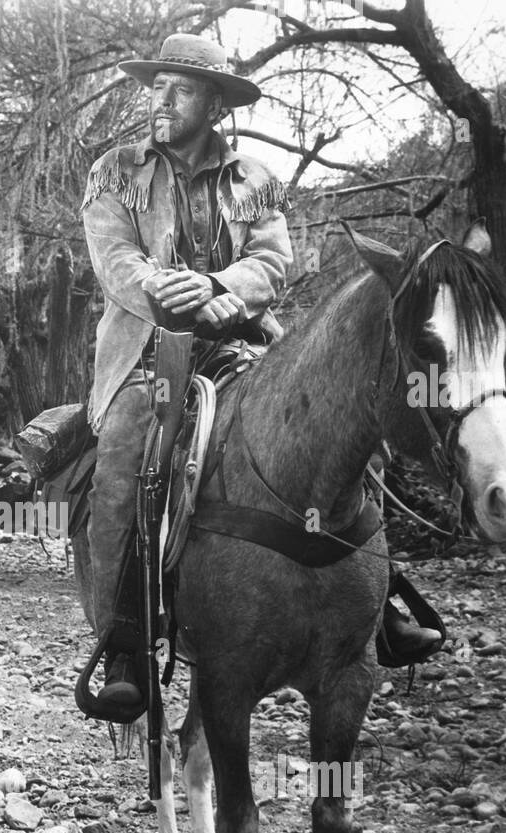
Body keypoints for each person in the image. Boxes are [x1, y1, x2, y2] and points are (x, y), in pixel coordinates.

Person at [81, 34, 440, 711]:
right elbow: (114, 259)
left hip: (243, 340)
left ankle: (379, 600)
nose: (161, 97)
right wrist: (171, 289)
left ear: (213, 102)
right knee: (126, 449)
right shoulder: (115, 172)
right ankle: (124, 638)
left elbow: (273, 262)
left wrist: (219, 286)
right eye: (156, 84)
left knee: (345, 425)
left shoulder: (252, 180)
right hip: (147, 351)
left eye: (179, 87)